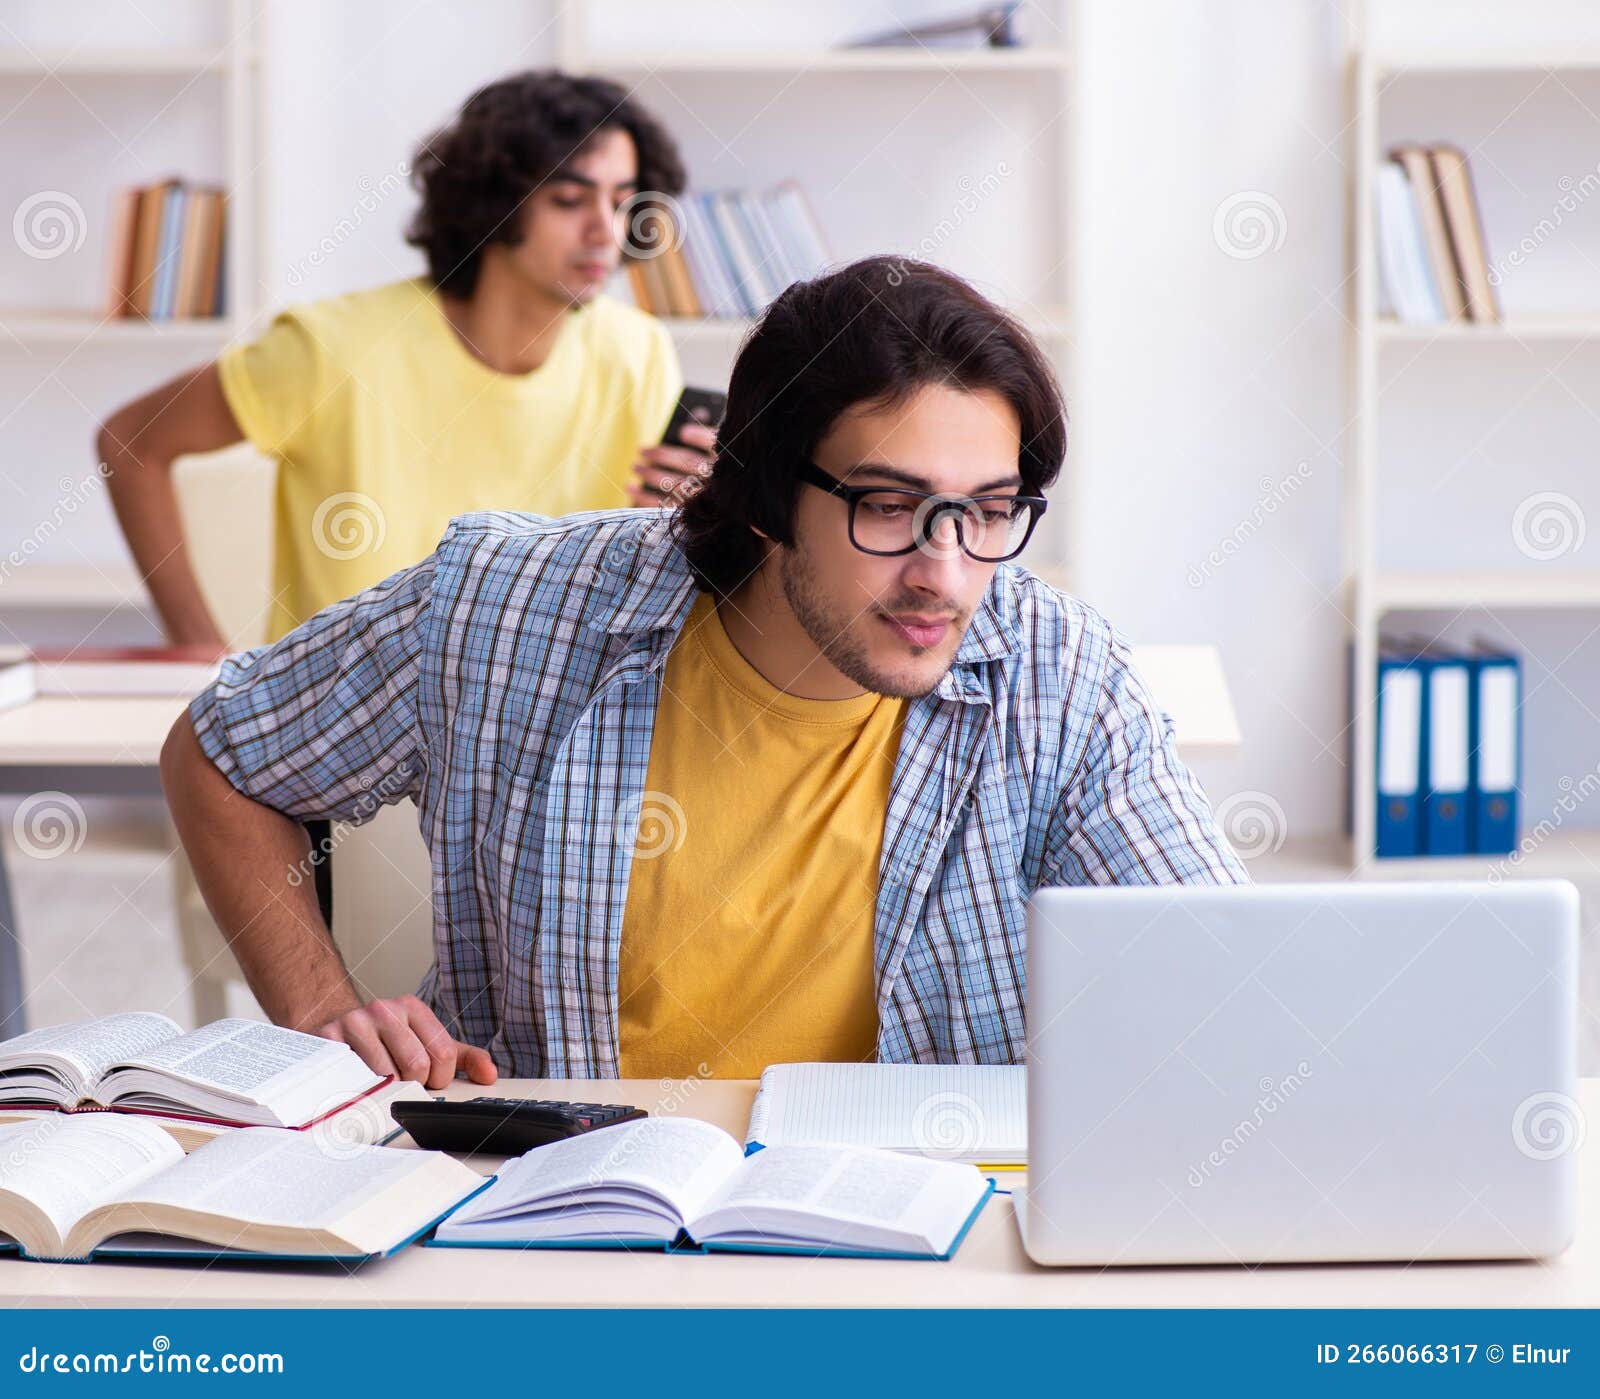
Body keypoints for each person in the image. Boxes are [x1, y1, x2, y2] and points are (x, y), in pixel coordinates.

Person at [160, 256, 1248, 1089]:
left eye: (989, 511)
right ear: (770, 494)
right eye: (887, 507)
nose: (946, 574)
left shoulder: (1058, 671)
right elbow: (220, 749)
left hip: (918, 1231)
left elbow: (1222, 968)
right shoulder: (502, 603)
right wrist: (316, 1015)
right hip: (550, 1221)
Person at [99, 69, 713, 649]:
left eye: (622, 200)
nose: (607, 230)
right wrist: (203, 656)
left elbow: (634, 568)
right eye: (570, 200)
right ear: (495, 204)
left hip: (537, 728)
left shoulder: (639, 352)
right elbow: (130, 443)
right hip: (335, 732)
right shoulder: (331, 348)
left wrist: (703, 513)